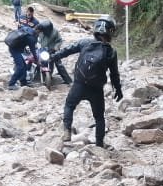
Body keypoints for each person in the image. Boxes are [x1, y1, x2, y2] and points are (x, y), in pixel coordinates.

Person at [50, 15, 124, 148]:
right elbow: (114, 74)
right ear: (110, 32)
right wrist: (118, 89)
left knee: (69, 106)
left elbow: (67, 50)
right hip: (96, 89)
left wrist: (52, 57)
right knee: (99, 117)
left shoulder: (85, 43)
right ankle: (99, 144)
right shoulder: (111, 52)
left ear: (96, 28)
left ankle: (67, 131)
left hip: (79, 85)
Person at [35, 19, 72, 84]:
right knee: (42, 62)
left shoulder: (55, 32)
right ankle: (43, 76)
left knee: (59, 65)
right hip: (44, 50)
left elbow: (59, 41)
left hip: (53, 50)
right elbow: (38, 40)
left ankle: (68, 80)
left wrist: (55, 48)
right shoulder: (41, 32)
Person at [5, 20, 38, 89]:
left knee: (24, 66)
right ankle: (11, 84)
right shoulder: (31, 38)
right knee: (20, 66)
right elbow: (33, 51)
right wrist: (37, 61)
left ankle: (23, 82)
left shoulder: (28, 29)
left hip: (15, 48)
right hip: (14, 50)